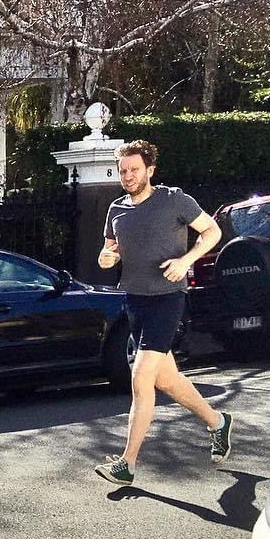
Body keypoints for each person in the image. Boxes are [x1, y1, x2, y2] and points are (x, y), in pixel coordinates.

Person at [94, 140, 233, 487]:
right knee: (167, 380)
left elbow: (212, 231)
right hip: (135, 301)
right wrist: (106, 258)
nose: (128, 176)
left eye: (134, 169)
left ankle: (127, 463)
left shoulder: (174, 200)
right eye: (123, 170)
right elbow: (108, 253)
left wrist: (186, 261)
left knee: (141, 379)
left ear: (150, 170)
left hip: (168, 299)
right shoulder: (116, 210)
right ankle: (218, 422)